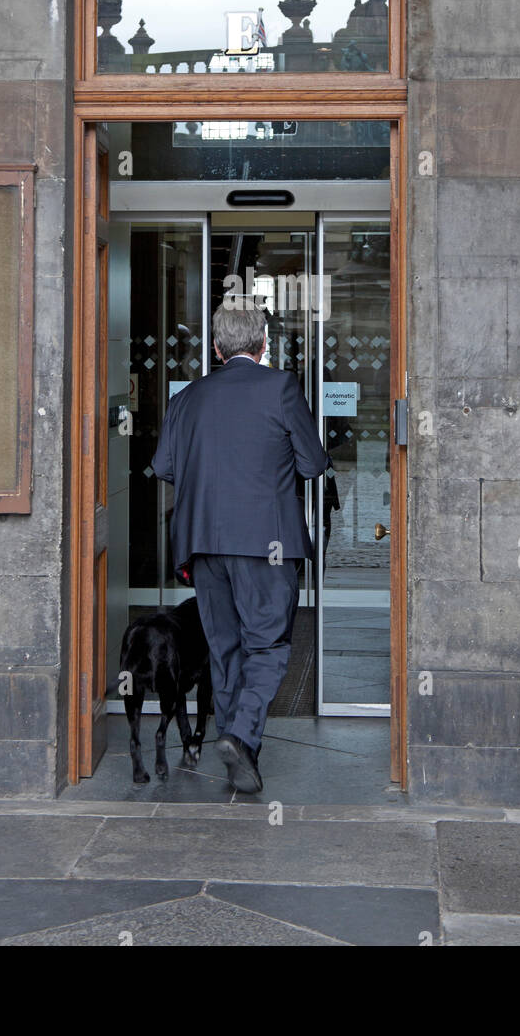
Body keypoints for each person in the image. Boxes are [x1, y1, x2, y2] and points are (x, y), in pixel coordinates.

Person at [151, 299, 332, 792]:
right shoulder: (281, 387)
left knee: (224, 648)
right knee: (268, 645)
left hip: (204, 543)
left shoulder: (187, 398)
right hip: (266, 544)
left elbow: (164, 467)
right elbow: (314, 464)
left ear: (216, 347)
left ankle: (240, 752)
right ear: (264, 344)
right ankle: (240, 736)